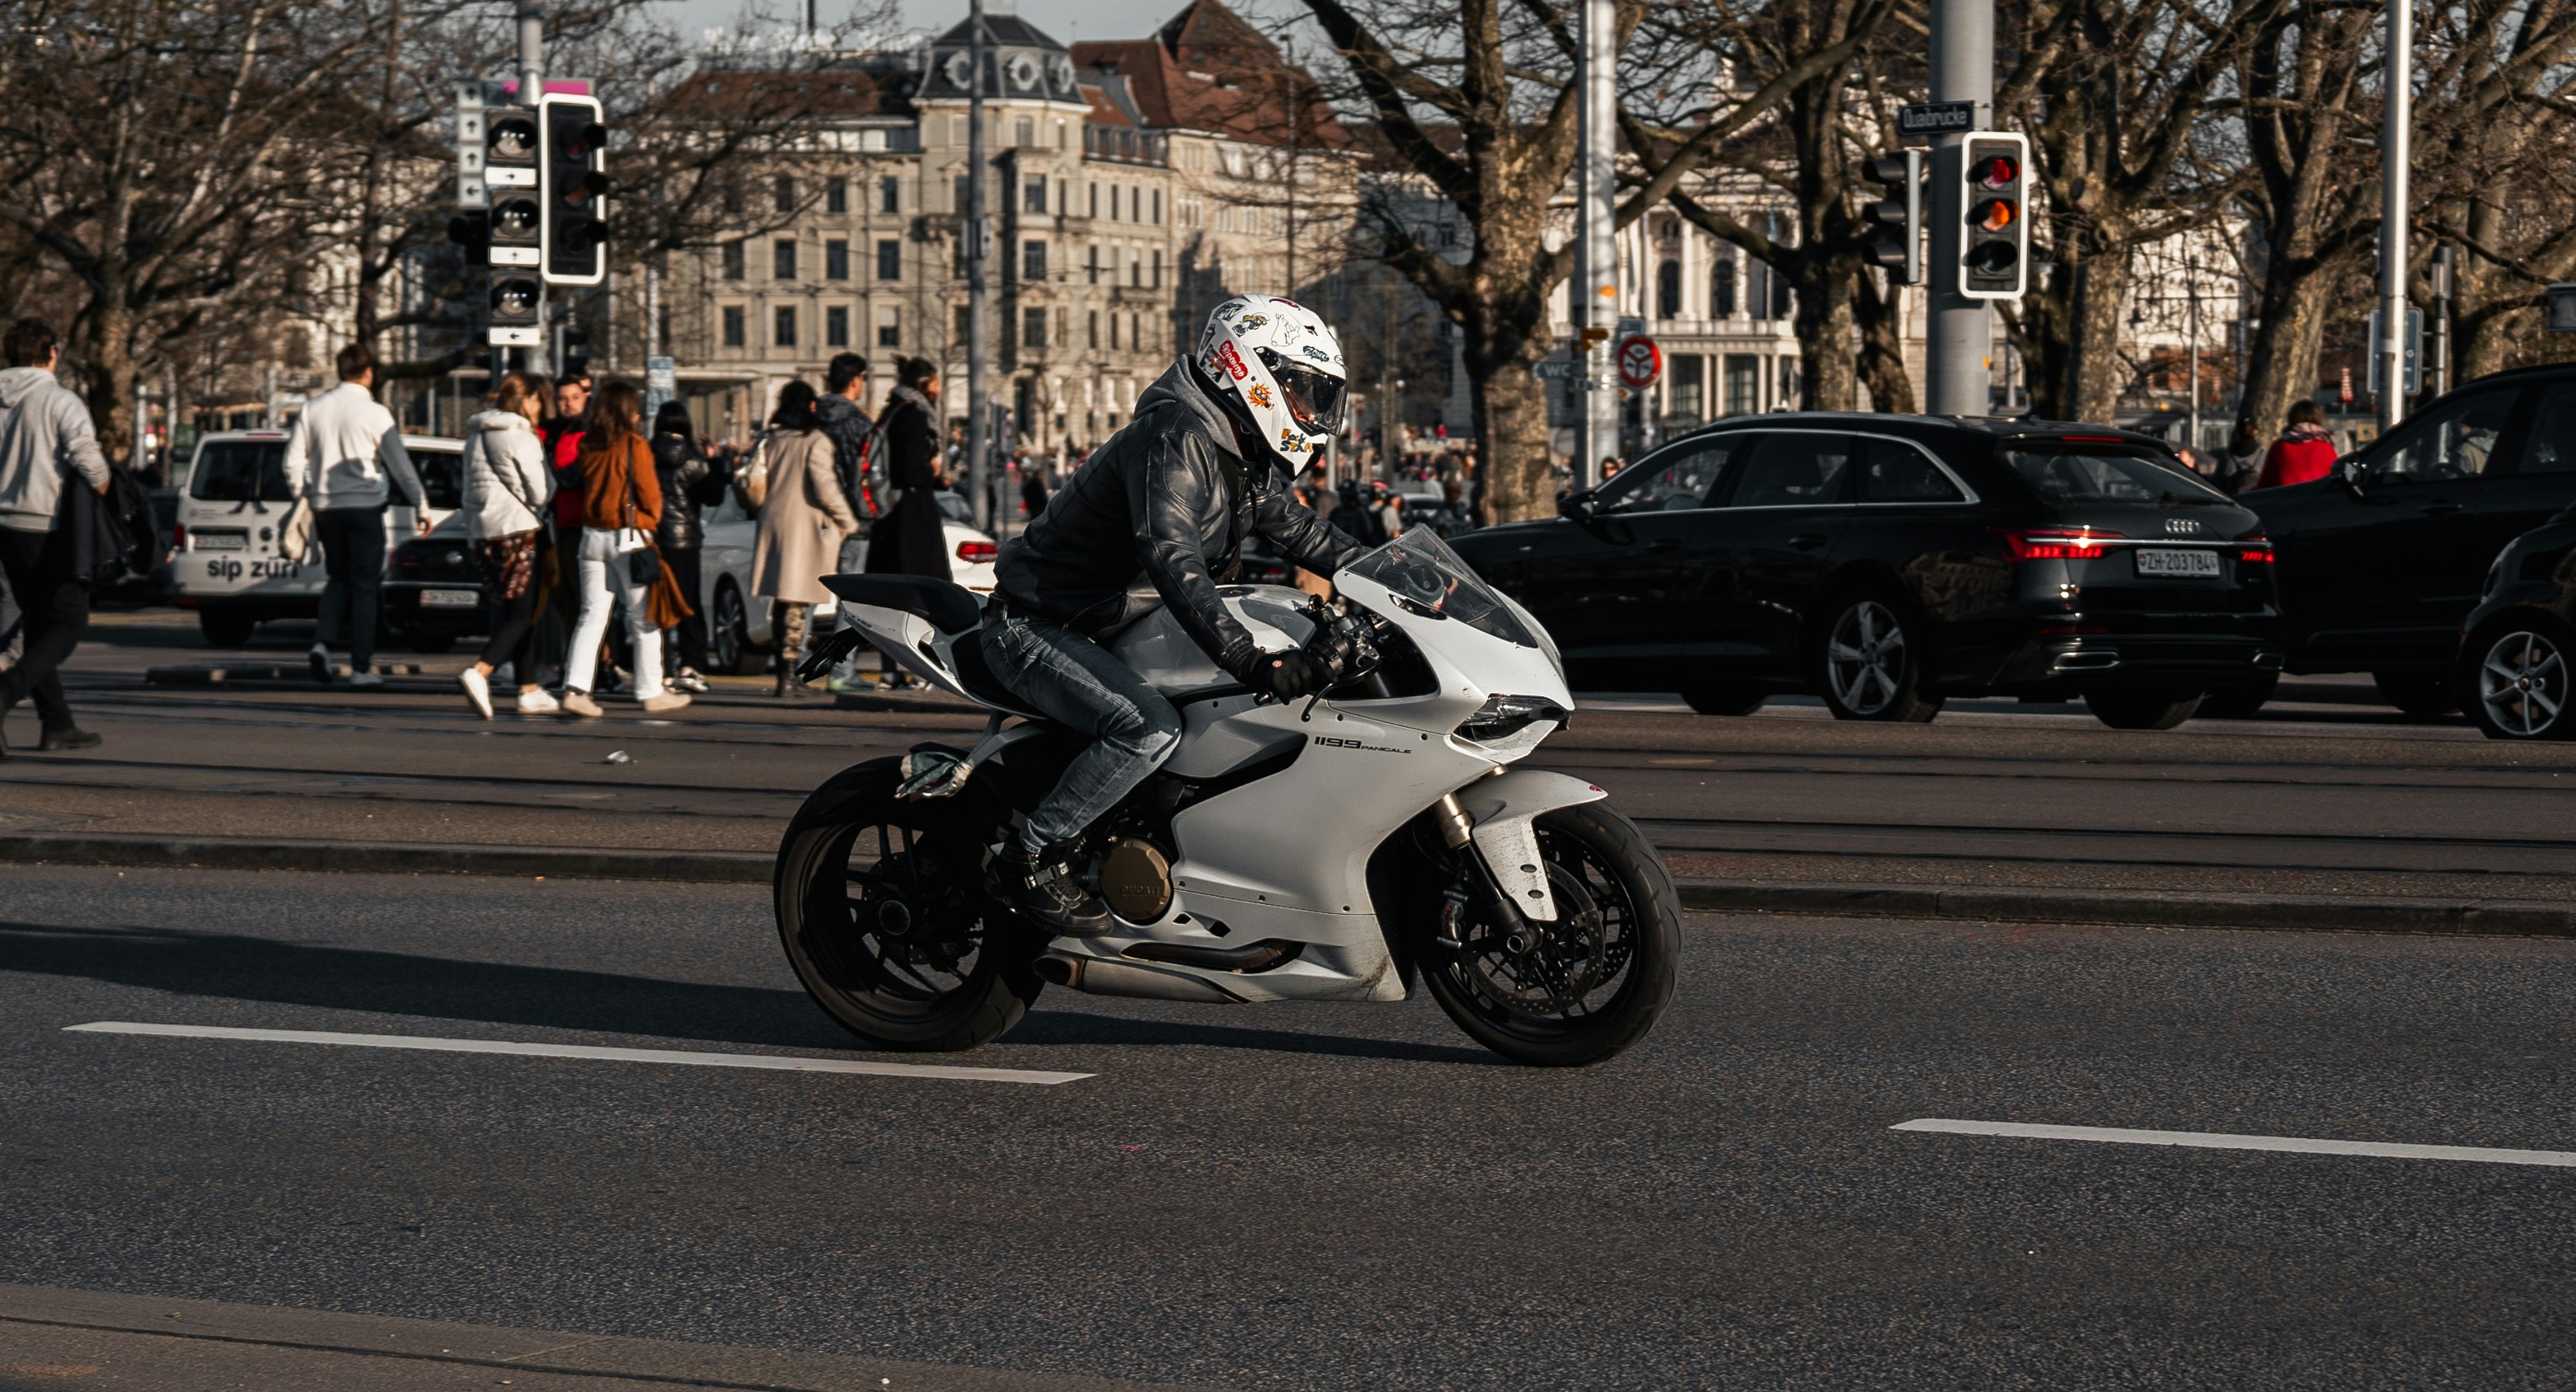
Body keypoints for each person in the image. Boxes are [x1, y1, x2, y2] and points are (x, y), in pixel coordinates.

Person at [980, 294, 1365, 934]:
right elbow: (1170, 553)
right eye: (1301, 390)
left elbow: (1308, 535)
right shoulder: (1175, 436)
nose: (1311, 413)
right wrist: (1249, 656)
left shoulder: (1240, 455)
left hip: (1113, 628)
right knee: (1147, 728)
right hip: (1040, 625)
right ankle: (1026, 857)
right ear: (1249, 370)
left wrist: (1418, 585)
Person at [0, 316, 111, 755]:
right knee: (68, 622)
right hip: (45, 525)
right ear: (51, 354)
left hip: (3, 526)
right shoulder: (59, 399)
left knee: (40, 622)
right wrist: (106, 490)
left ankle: (58, 723)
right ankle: (7, 691)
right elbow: (88, 458)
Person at [284, 342, 425, 688]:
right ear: (369, 373)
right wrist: (420, 503)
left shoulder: (312, 408)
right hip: (364, 508)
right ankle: (361, 667)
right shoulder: (376, 414)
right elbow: (401, 468)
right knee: (364, 587)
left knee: (337, 578)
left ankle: (322, 643)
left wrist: (306, 493)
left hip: (326, 509)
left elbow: (291, 462)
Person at [561, 382, 690, 717]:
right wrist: (649, 522)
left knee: (590, 617)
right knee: (644, 617)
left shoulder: (589, 445)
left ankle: (576, 689)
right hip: (627, 538)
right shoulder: (634, 446)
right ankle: (650, 690)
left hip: (591, 536)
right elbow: (650, 496)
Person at [455, 372, 557, 718]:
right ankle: (480, 671)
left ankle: (528, 688)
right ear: (527, 399)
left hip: (483, 531)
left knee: (512, 608)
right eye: (539, 400)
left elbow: (468, 490)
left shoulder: (475, 434)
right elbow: (540, 492)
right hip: (517, 529)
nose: (541, 407)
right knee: (523, 612)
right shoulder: (520, 435)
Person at [752, 381, 860, 698]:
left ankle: (784, 674)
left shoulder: (771, 439)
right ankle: (788, 678)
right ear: (810, 406)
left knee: (783, 603)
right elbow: (826, 487)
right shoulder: (815, 441)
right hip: (803, 527)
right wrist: (848, 522)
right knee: (797, 603)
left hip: (772, 525)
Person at [865, 357, 950, 689]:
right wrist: (933, 471)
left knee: (890, 597)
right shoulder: (915, 416)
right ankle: (923, 670)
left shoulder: (890, 412)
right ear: (925, 383)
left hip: (888, 514)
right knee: (922, 595)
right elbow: (913, 468)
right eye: (936, 383)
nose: (940, 390)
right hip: (912, 514)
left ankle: (890, 669)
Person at [650, 401, 724, 692]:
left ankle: (661, 667)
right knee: (688, 602)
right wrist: (714, 460)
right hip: (684, 541)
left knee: (656, 606)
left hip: (652, 538)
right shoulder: (694, 460)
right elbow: (714, 496)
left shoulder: (645, 452)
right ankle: (691, 665)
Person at [2256, 400, 2339, 490]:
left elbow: (2265, 483)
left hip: (2285, 499)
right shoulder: (2326, 447)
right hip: (2316, 499)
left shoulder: (2280, 446)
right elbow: (2336, 479)